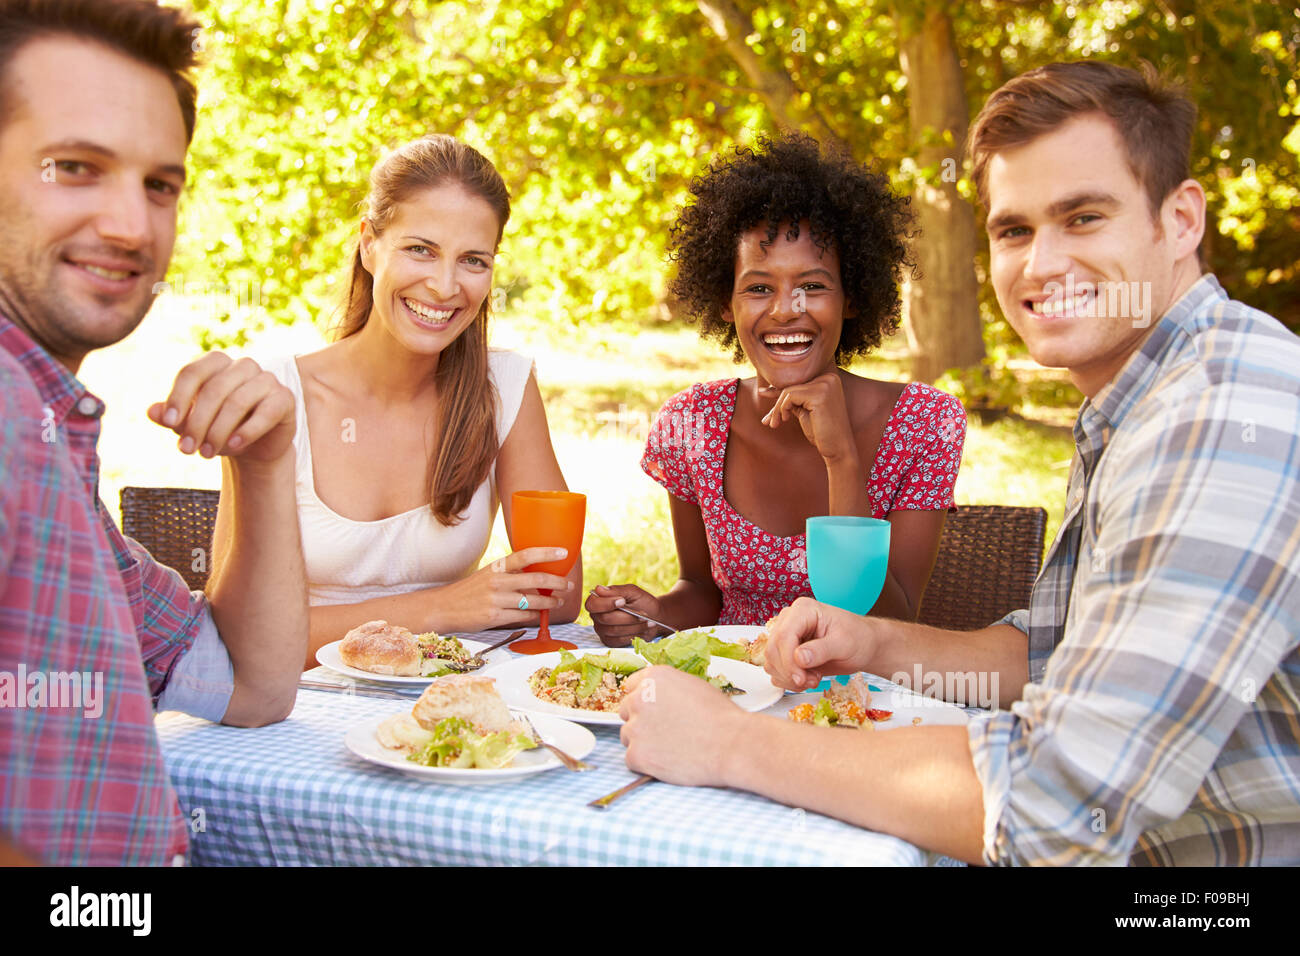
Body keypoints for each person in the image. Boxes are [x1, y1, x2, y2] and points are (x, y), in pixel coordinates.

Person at [617, 61, 1300, 866]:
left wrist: (730, 746)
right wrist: (872, 643)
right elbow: (1044, 653)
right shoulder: (1139, 400)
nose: (1042, 265)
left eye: (1083, 217)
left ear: (1180, 220)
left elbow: (1053, 809)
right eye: (1014, 230)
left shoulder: (1226, 409)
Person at [0, 0, 309, 866]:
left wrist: (264, 462)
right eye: (73, 167)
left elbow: (251, 685)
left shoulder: (49, 433)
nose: (133, 227)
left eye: (159, 184)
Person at [587, 134, 966, 644]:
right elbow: (702, 589)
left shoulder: (924, 422)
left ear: (851, 297)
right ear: (727, 303)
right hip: (732, 695)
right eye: (759, 288)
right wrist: (654, 613)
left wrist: (841, 460)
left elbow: (896, 625)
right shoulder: (694, 422)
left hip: (854, 704)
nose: (787, 309)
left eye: (813, 285)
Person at [241, 135, 581, 668]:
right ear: (369, 244)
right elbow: (245, 631)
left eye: (473, 260)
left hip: (444, 693)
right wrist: (444, 607)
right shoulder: (279, 396)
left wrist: (493, 600)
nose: (445, 286)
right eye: (420, 249)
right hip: (295, 705)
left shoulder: (505, 385)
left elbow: (557, 594)